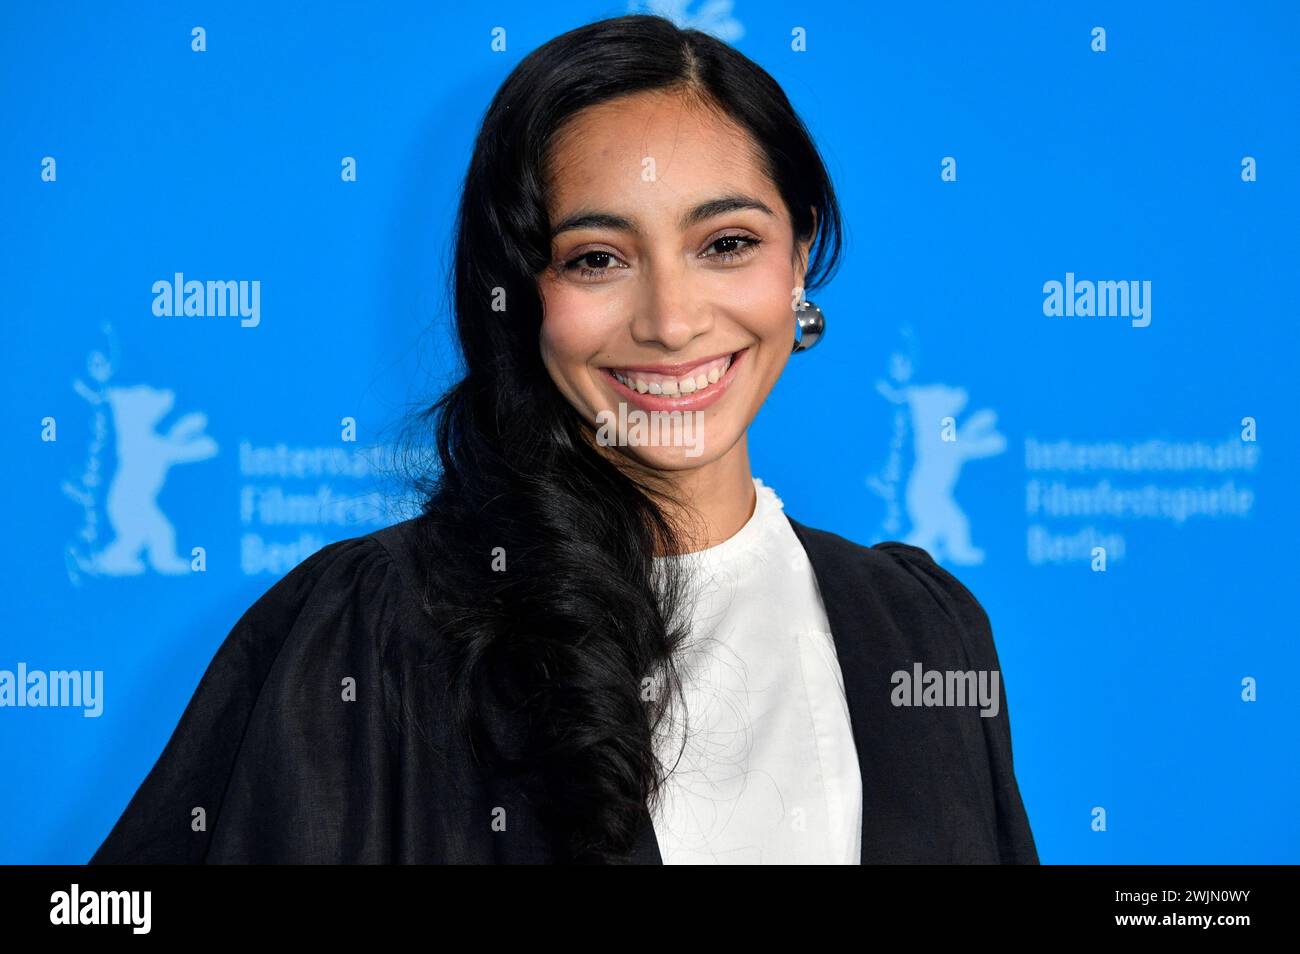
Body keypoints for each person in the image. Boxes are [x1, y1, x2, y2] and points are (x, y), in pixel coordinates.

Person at [88, 13, 1038, 865]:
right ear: (522, 296)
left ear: (801, 256)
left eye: (727, 244)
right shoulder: (372, 632)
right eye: (597, 259)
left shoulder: (925, 629)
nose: (671, 321)